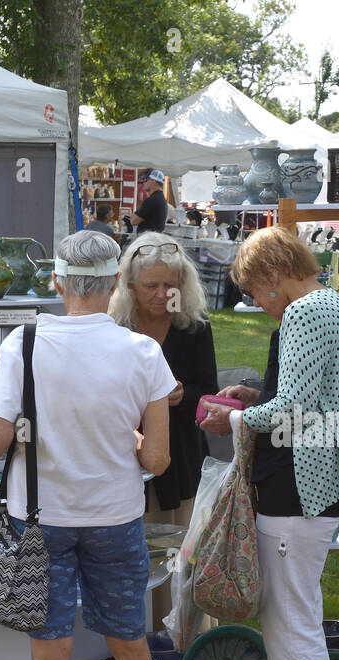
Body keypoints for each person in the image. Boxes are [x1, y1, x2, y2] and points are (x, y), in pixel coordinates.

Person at [0, 230, 176, 660]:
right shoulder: (143, 352)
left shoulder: (24, 342)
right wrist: (133, 442)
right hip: (115, 517)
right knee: (130, 645)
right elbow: (160, 463)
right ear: (115, 282)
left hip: (38, 520)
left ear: (58, 282)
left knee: (50, 657)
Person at [198, 227, 339, 660]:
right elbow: (307, 396)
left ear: (272, 275)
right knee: (291, 608)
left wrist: (237, 418)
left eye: (255, 292)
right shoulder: (335, 305)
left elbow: (294, 409)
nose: (257, 304)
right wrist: (258, 396)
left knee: (292, 614)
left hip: (299, 484)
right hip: (314, 481)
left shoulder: (303, 312)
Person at [108, 232, 219, 630]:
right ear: (130, 286)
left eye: (170, 285)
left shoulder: (193, 327)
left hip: (181, 456)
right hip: (126, 459)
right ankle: (142, 636)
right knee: (138, 551)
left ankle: (186, 640)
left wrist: (183, 395)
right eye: (151, 285)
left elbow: (208, 392)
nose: (161, 293)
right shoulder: (116, 326)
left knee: (179, 552)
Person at [131, 169, 169, 234]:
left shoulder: (152, 200)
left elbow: (133, 221)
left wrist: (132, 215)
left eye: (146, 180)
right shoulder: (161, 198)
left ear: (153, 181)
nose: (143, 183)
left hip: (147, 240)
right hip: (154, 239)